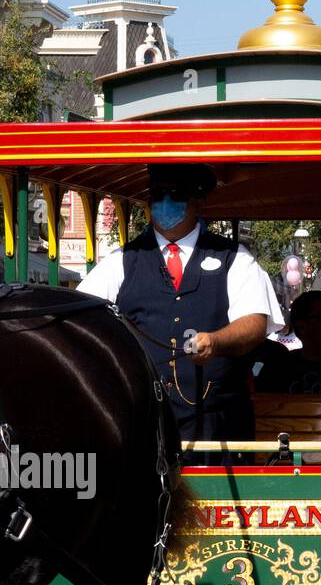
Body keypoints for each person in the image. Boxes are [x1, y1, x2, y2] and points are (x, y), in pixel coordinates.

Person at [77, 163, 283, 441]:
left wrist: (216, 341)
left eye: (175, 196)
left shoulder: (234, 257)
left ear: (197, 204)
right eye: (157, 196)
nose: (164, 204)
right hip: (144, 420)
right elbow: (82, 316)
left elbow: (254, 323)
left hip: (218, 422)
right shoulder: (120, 261)